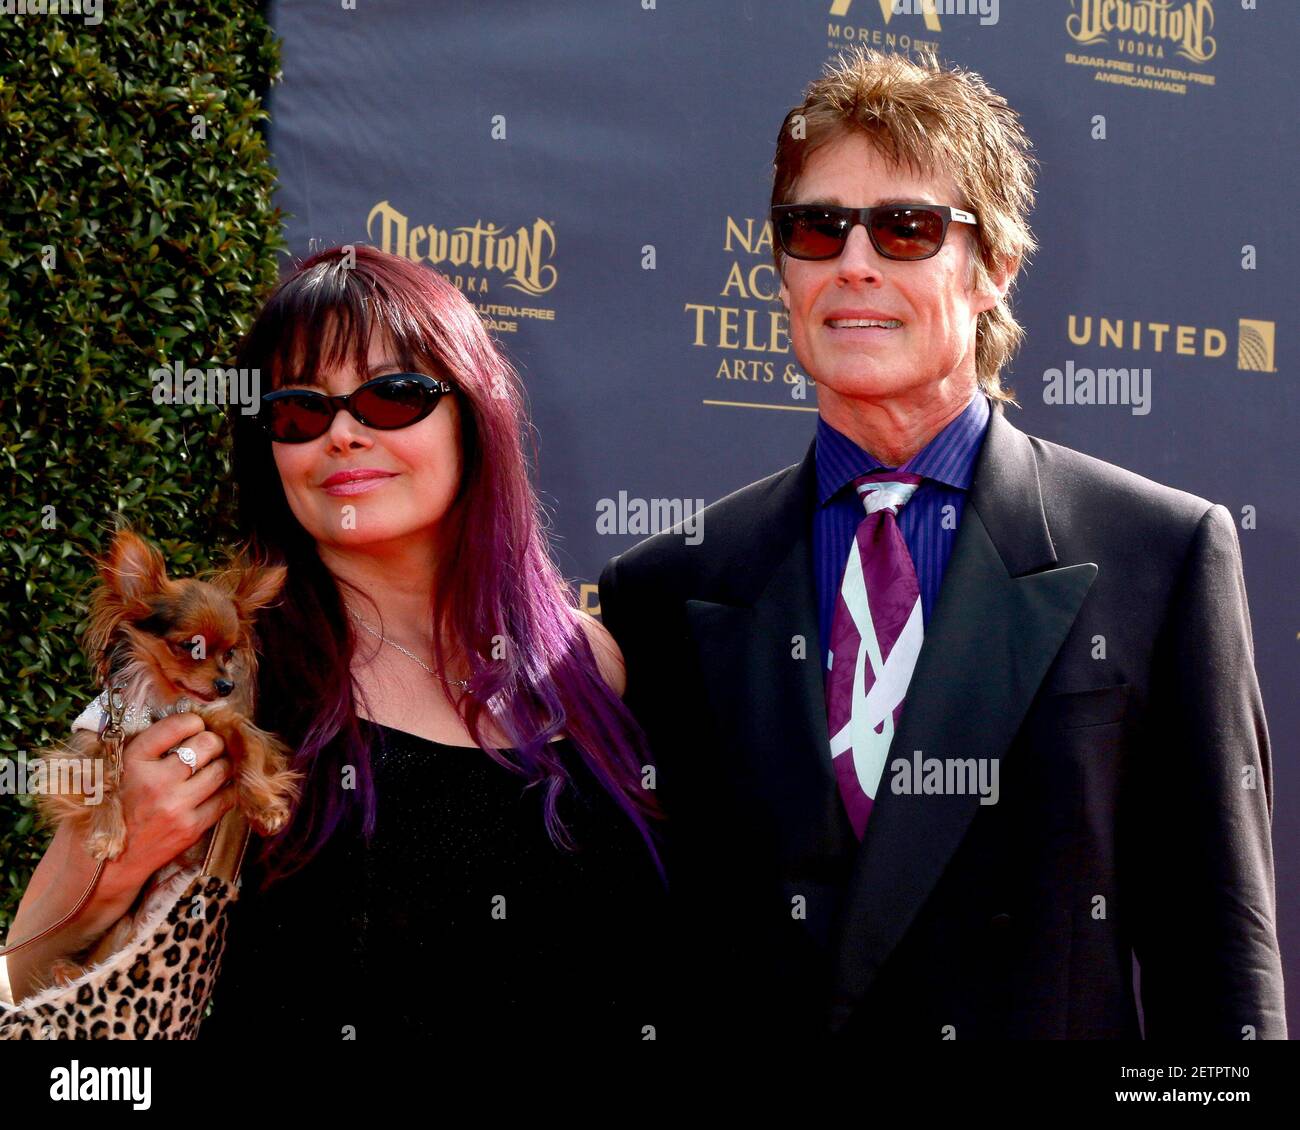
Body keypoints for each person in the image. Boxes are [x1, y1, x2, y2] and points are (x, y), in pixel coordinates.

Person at [598, 47, 1286, 1041]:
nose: (855, 262)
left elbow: (1218, 956)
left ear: (993, 268)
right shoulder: (667, 585)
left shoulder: (1159, 553)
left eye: (907, 227)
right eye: (816, 227)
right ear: (782, 270)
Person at [5, 245, 666, 1043]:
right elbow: (21, 978)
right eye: (300, 411)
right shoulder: (217, 683)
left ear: (472, 414)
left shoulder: (595, 662)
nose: (344, 434)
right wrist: (119, 857)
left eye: (392, 396)